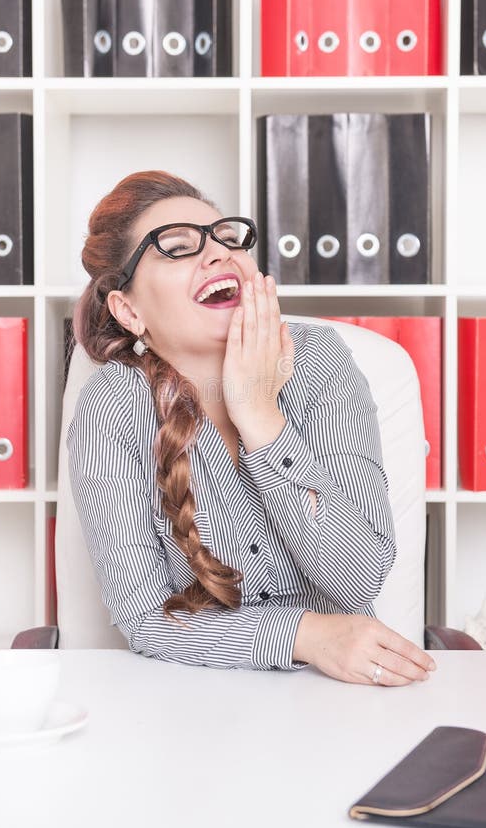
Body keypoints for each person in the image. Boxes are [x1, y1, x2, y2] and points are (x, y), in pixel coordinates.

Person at [68, 169, 436, 686]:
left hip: (334, 696)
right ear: (128, 310)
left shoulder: (321, 365)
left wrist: (260, 417)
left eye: (227, 237)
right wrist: (306, 635)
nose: (219, 253)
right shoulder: (111, 406)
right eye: (176, 247)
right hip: (191, 698)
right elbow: (146, 620)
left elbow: (358, 577)